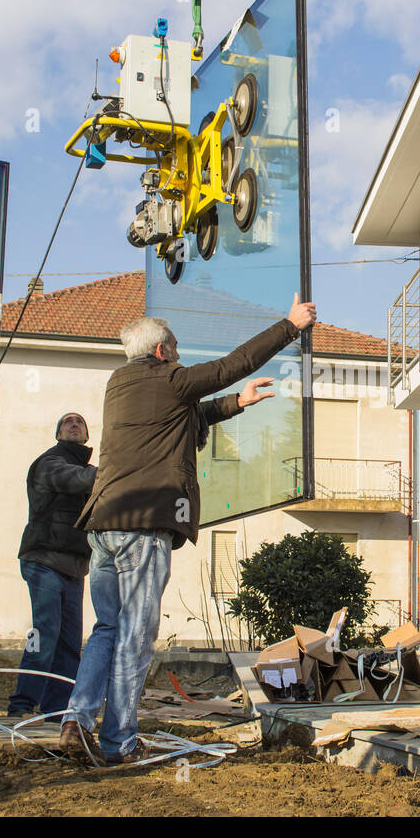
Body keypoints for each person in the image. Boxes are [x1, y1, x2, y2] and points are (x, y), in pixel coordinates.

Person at [60, 293, 316, 764]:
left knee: (107, 629)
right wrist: (289, 325)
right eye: (175, 349)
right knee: (136, 633)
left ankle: (76, 718)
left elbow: (185, 415)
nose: (179, 357)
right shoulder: (170, 378)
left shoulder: (120, 384)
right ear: (162, 351)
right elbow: (231, 364)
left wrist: (235, 404)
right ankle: (119, 741)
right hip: (142, 525)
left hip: (102, 527)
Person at [7, 413, 97, 720]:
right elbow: (76, 480)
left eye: (79, 422)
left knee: (71, 643)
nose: (74, 424)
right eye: (68, 422)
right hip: (43, 560)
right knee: (43, 634)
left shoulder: (87, 469)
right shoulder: (50, 462)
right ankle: (21, 705)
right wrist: (116, 471)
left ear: (86, 435)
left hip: (74, 567)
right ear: (59, 433)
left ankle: (56, 711)